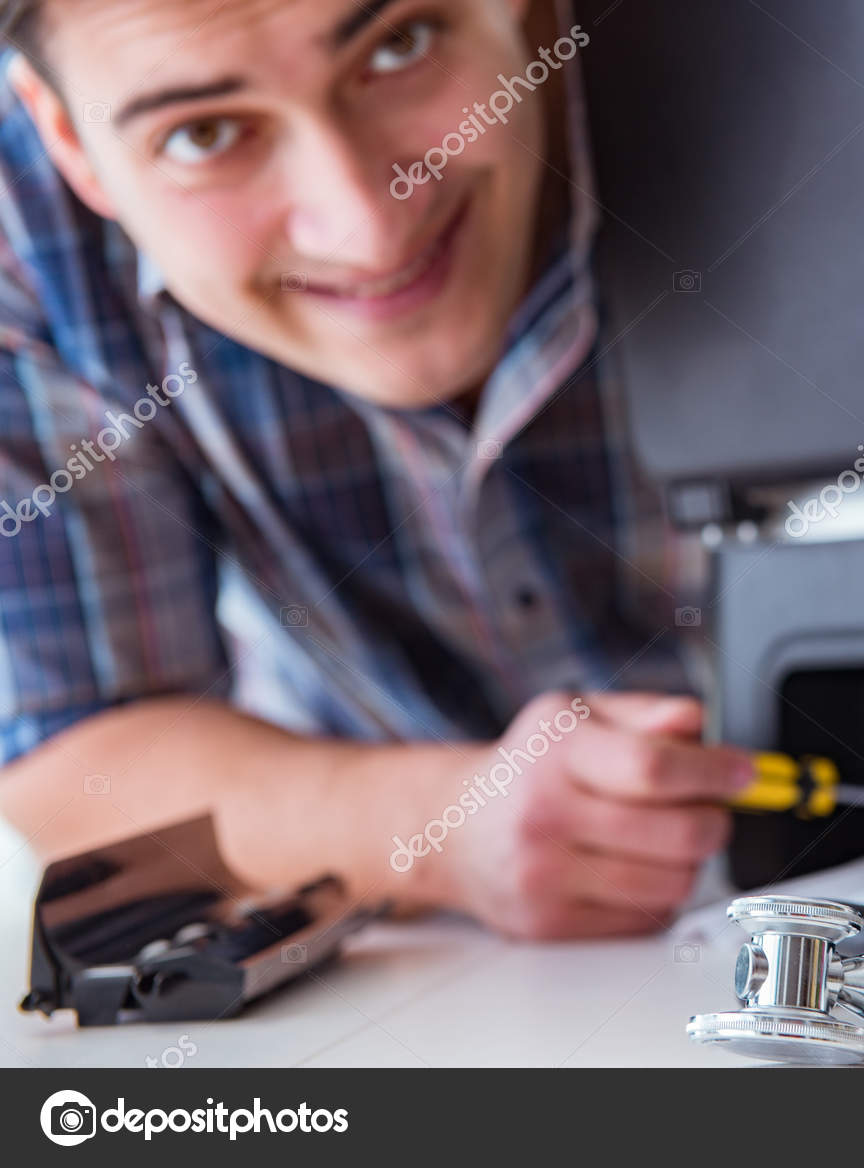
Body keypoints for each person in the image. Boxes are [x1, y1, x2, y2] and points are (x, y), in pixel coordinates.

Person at [0, 0, 755, 940]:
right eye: (204, 134)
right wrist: (445, 830)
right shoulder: (19, 234)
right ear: (65, 136)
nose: (365, 226)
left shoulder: (798, 47)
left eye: (399, 46)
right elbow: (73, 761)